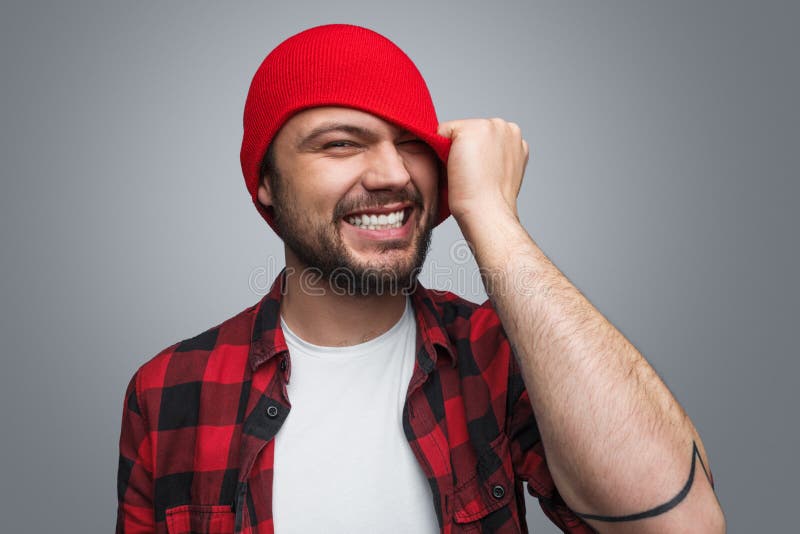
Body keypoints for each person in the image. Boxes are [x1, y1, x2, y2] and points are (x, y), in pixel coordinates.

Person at [116, 24, 726, 533]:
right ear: (266, 184)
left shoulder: (499, 354)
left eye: (412, 143)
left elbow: (682, 525)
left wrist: (491, 215)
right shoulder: (168, 389)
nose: (391, 173)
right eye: (339, 144)